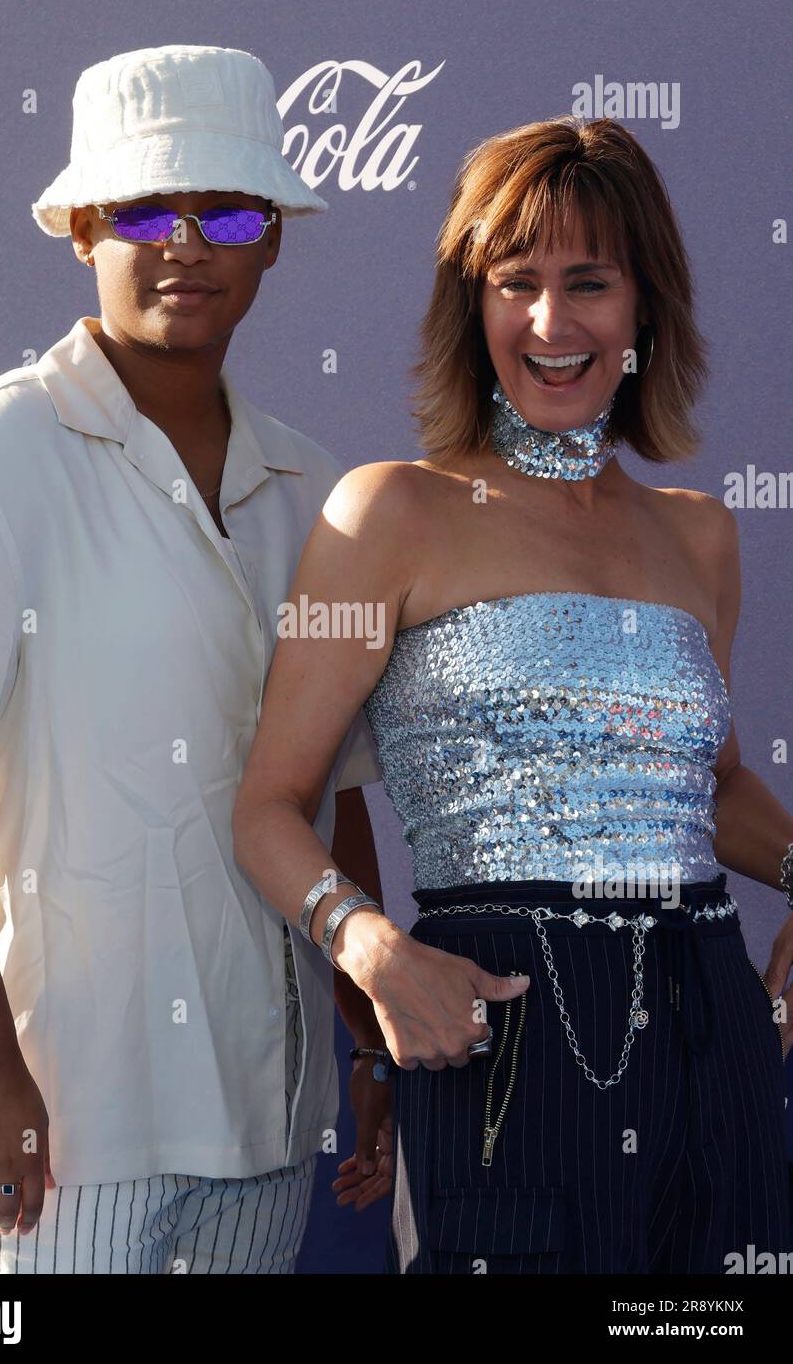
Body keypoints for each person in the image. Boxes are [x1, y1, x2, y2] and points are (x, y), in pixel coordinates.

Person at [232, 114, 793, 1274]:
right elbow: (266, 808)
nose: (548, 323)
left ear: (643, 308)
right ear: (469, 304)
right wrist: (376, 952)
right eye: (513, 282)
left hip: (711, 1013)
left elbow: (714, 786)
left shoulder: (699, 535)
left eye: (586, 281)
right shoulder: (385, 513)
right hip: (496, 1022)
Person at [0, 43, 391, 1275]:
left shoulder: (319, 486)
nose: (186, 240)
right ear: (80, 231)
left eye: (224, 208)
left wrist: (365, 1045)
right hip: (59, 1118)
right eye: (147, 207)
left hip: (265, 1113)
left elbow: (336, 795)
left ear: (273, 236)